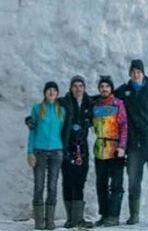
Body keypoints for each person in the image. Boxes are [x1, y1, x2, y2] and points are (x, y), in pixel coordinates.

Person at [115, 59, 148, 228]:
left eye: (139, 72)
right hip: (133, 146)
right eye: (133, 72)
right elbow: (107, 99)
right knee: (133, 180)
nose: (136, 74)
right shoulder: (124, 92)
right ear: (129, 74)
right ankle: (134, 215)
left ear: (143, 73)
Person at [28, 81, 67, 229]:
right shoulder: (37, 109)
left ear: (57, 94)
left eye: (54, 90)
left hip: (56, 152)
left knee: (52, 185)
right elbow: (32, 131)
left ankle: (49, 220)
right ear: (45, 92)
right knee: (39, 185)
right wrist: (30, 151)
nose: (51, 92)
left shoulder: (61, 111)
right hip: (40, 151)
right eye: (49, 90)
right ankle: (39, 221)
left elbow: (62, 131)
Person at [91, 75, 128, 226]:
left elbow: (124, 126)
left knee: (116, 185)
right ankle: (104, 214)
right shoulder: (96, 105)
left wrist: (122, 146)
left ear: (111, 88)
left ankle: (114, 215)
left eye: (107, 86)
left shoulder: (118, 104)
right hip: (100, 149)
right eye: (102, 87)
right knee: (101, 184)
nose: (104, 89)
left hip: (115, 149)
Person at [59, 75, 94, 228]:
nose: (78, 89)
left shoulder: (89, 103)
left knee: (79, 181)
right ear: (70, 88)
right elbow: (46, 108)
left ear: (84, 88)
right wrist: (30, 118)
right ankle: (70, 219)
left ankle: (78, 218)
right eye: (75, 86)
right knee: (68, 181)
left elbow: (105, 105)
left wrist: (89, 122)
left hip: (82, 147)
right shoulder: (63, 102)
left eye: (80, 86)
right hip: (67, 146)